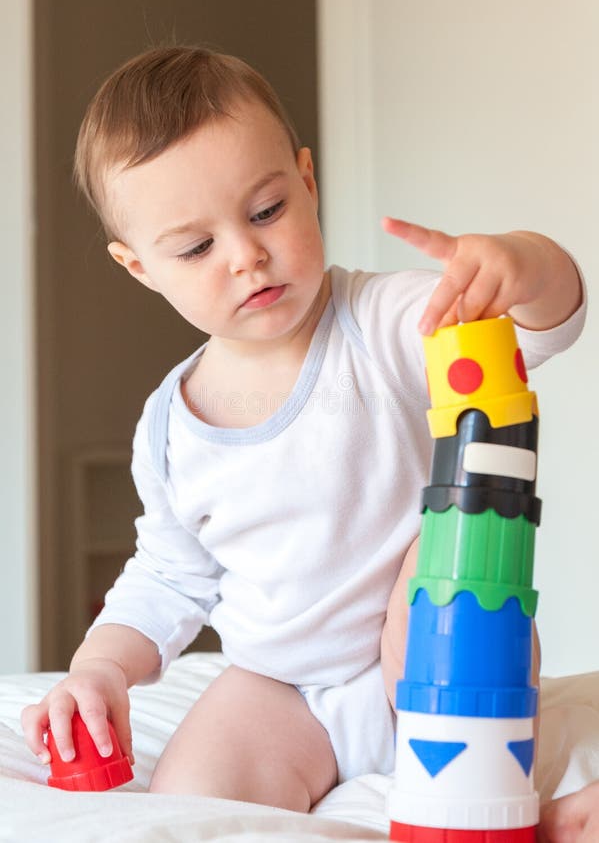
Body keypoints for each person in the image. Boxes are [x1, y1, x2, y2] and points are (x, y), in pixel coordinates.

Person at [21, 45, 585, 811]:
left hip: (435, 653)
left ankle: (520, 812)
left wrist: (522, 264)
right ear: (140, 267)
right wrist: (100, 668)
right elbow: (166, 577)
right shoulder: (169, 425)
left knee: (443, 576)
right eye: (196, 247)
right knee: (194, 804)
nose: (248, 256)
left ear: (307, 181)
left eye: (266, 211)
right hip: (279, 689)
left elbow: (537, 332)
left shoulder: (384, 320)